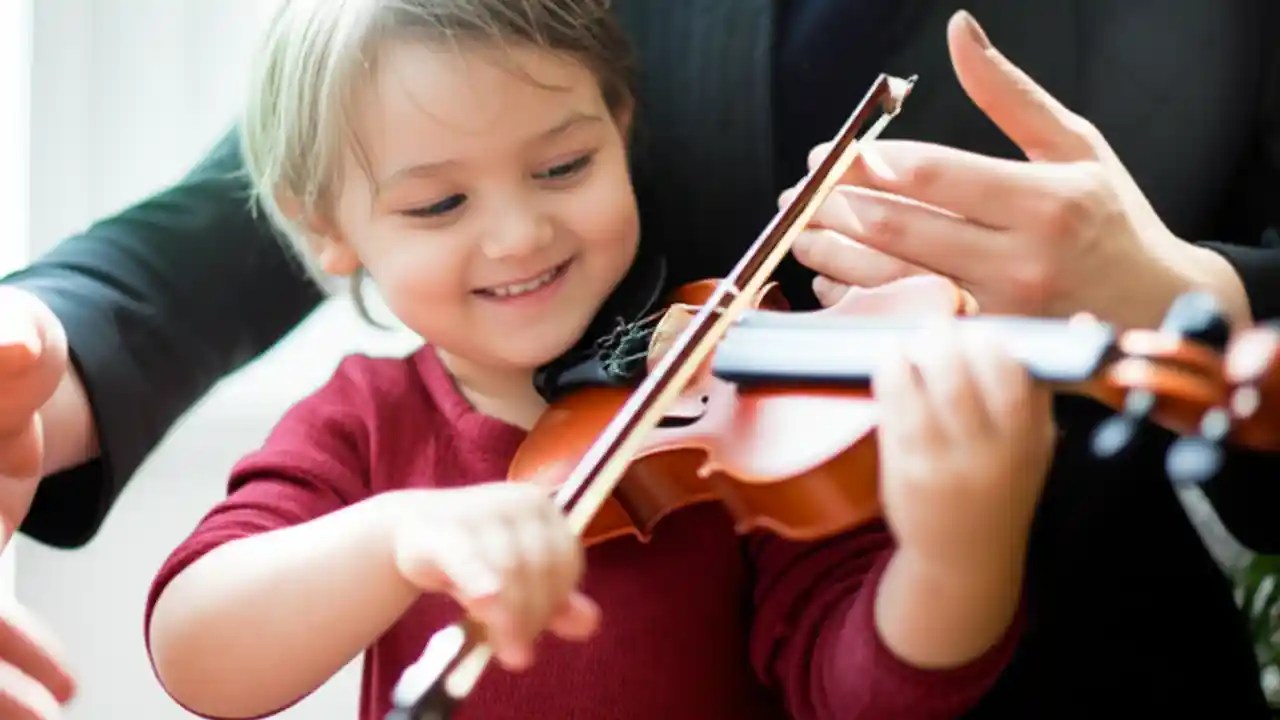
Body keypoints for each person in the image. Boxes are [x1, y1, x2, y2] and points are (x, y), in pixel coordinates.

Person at [1, 1, 1278, 717]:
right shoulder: (370, 422)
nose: (515, 231)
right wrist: (395, 535)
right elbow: (204, 655)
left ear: (619, 126)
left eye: (560, 168)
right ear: (328, 229)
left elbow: (866, 695)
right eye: (437, 207)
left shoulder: (744, 428)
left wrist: (958, 545)